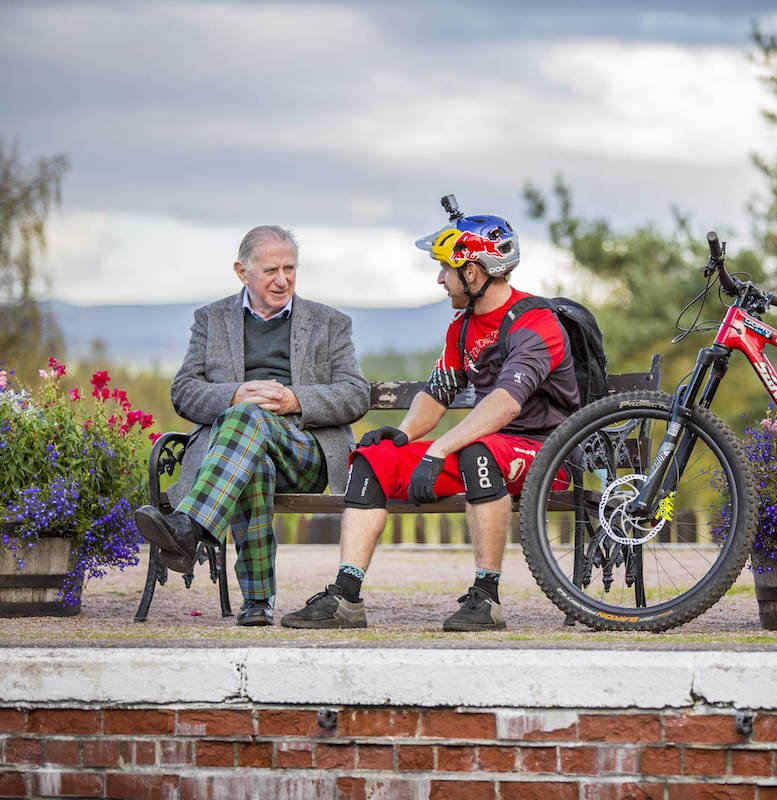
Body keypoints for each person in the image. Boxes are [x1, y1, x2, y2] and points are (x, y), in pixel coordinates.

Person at [281, 207, 579, 632]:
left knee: (478, 451)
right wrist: (401, 436)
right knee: (374, 456)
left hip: (548, 456)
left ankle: (486, 598)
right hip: (489, 452)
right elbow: (438, 393)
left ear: (472, 272)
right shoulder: (463, 328)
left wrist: (439, 449)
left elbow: (505, 404)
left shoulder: (535, 322)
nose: (440, 279)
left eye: (446, 269)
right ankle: (346, 597)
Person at [134, 225, 370, 627]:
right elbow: (184, 391)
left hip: (305, 451)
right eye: (271, 270)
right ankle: (258, 602)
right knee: (249, 444)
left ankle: (190, 526)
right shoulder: (211, 320)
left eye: (290, 268)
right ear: (242, 272)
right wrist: (233, 395)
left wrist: (296, 400)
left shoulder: (330, 323)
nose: (283, 279)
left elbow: (356, 393)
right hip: (240, 456)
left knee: (248, 423)